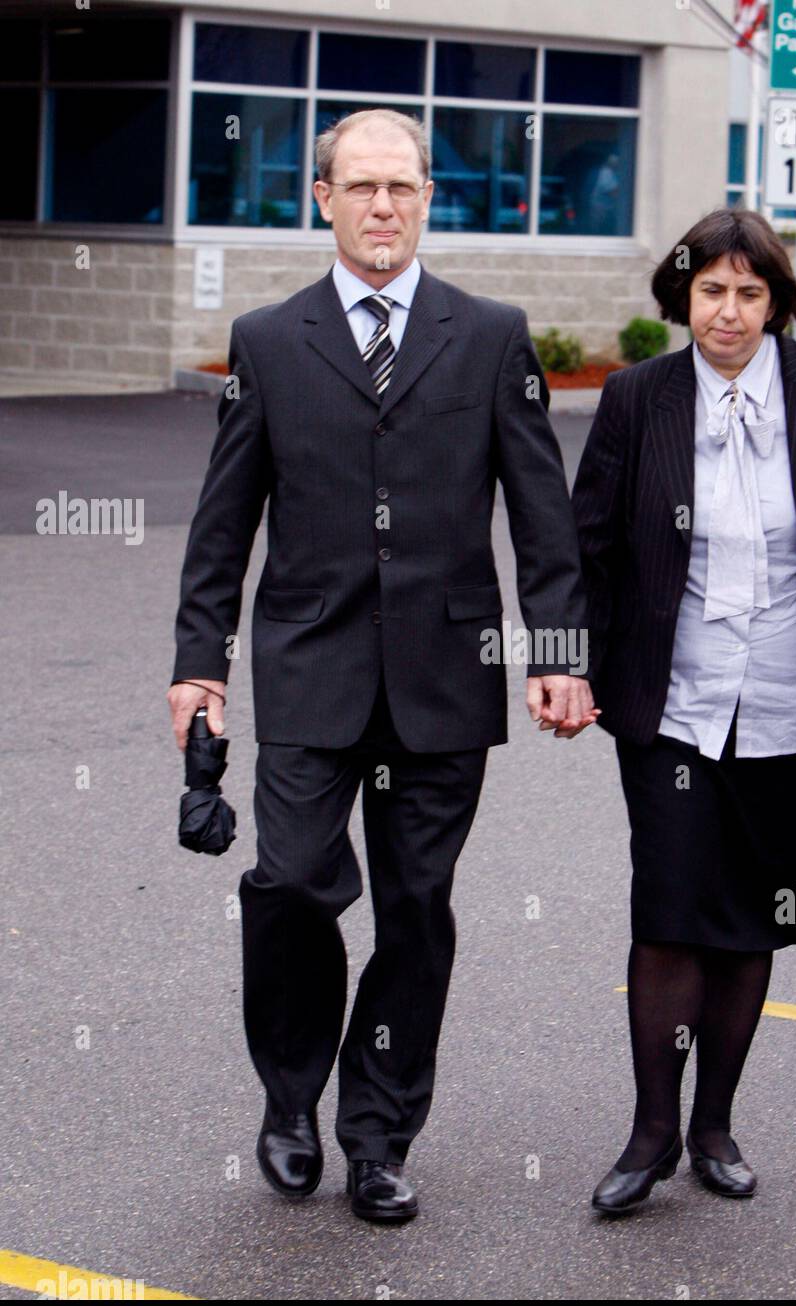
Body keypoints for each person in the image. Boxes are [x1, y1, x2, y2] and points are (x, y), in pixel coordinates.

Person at [167, 109, 595, 1224]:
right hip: (309, 668)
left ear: (425, 196)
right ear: (322, 199)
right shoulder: (269, 340)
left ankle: (379, 1135)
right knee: (294, 883)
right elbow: (224, 523)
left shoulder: (491, 334)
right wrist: (197, 664)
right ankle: (290, 1098)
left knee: (417, 913)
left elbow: (542, 514)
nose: (383, 207)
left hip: (448, 679)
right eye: (360, 188)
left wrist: (556, 652)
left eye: (402, 186)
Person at [570, 207, 796, 1215]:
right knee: (669, 911)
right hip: (671, 700)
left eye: (749, 293)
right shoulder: (638, 398)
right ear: (684, 296)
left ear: (777, 301)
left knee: (752, 917)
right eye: (711, 291)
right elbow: (583, 545)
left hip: (795, 702)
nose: (728, 311)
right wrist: (568, 664)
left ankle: (715, 1124)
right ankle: (650, 1132)